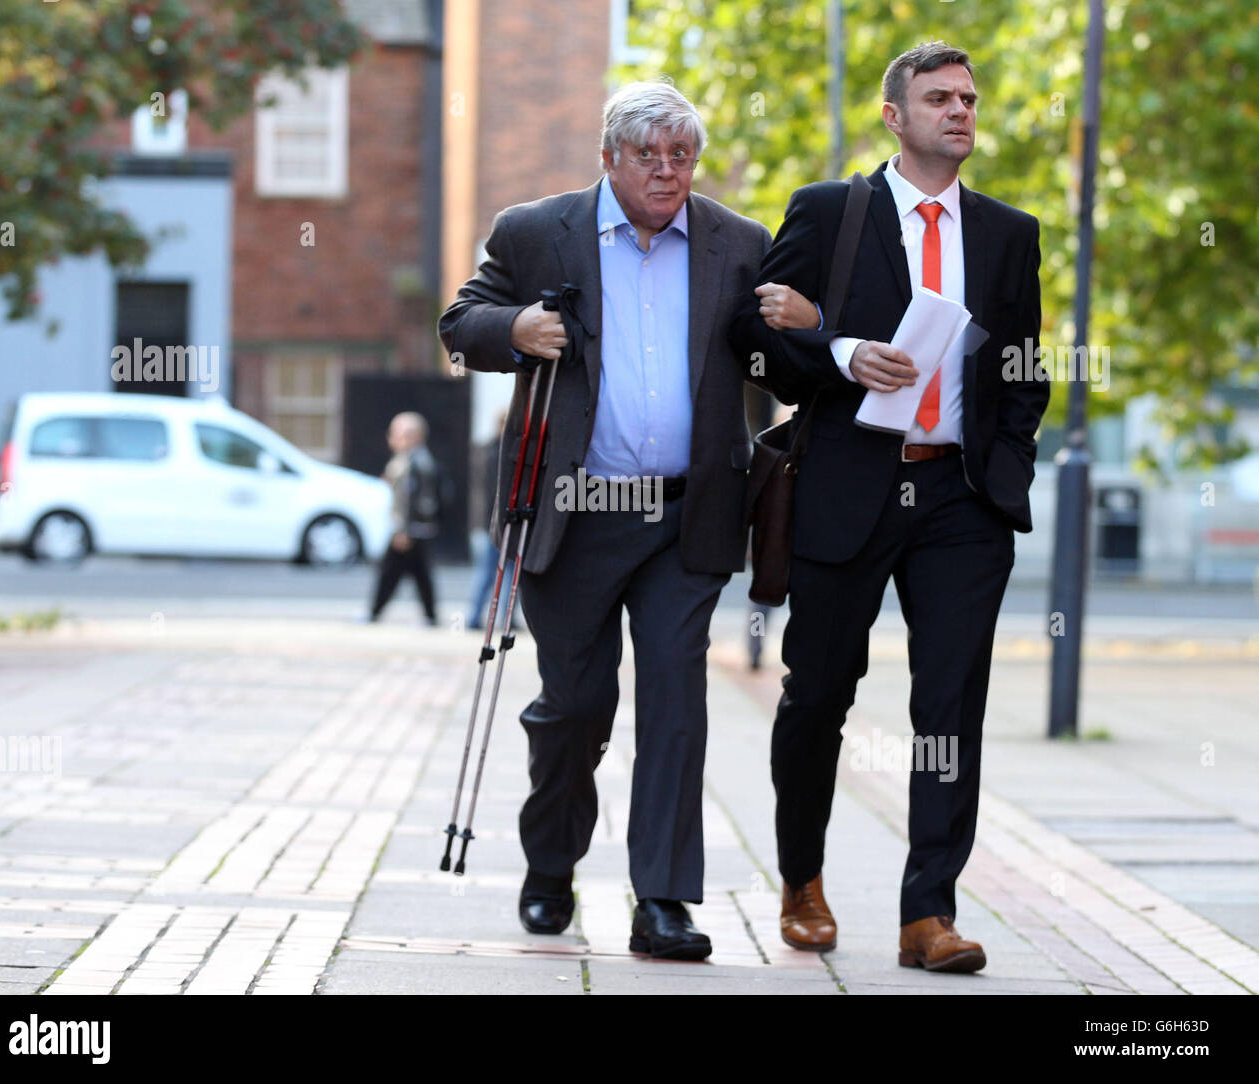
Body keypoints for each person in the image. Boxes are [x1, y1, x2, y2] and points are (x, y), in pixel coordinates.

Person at [730, 41, 1048, 973]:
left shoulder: (1008, 232)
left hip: (960, 497)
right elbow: (755, 331)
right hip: (847, 478)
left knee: (949, 706)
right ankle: (801, 883)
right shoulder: (832, 211)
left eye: (969, 99)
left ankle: (928, 914)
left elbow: (1024, 370)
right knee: (819, 693)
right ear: (893, 115)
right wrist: (839, 352)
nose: (960, 111)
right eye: (939, 97)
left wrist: (1006, 474)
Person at [439, 79, 770, 960]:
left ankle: (662, 899)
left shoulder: (738, 245)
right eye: (648, 156)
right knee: (576, 706)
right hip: (575, 511)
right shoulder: (535, 232)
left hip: (684, 515)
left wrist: (811, 330)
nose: (669, 172)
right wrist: (516, 329)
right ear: (609, 159)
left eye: (682, 156)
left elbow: (777, 362)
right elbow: (459, 321)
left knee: (675, 701)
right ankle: (551, 863)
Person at [369, 412, 440, 626]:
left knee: (390, 572)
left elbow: (410, 499)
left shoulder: (414, 463)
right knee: (419, 574)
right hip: (415, 528)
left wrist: (403, 530)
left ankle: (374, 612)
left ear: (414, 436)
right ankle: (430, 615)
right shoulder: (411, 460)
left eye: (397, 434)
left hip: (409, 530)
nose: (392, 438)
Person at [466, 410, 521, 632]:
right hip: (495, 522)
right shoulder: (494, 452)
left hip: (505, 520)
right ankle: (478, 617)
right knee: (489, 572)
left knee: (506, 573)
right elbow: (491, 490)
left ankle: (504, 618)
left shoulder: (495, 449)